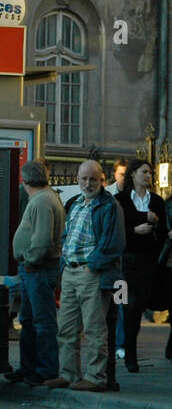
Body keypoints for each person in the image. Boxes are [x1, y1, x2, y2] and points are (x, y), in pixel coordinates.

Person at [46, 160, 125, 392]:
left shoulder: (109, 206)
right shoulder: (75, 203)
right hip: (70, 271)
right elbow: (67, 236)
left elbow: (114, 243)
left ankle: (95, 377)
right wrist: (64, 264)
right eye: (84, 178)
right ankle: (68, 373)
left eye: (93, 179)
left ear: (102, 180)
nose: (88, 183)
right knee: (66, 328)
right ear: (78, 179)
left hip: (92, 273)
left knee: (94, 329)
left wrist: (92, 265)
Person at [5, 161, 64, 385]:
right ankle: (28, 367)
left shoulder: (41, 202)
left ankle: (45, 369)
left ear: (25, 180)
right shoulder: (46, 198)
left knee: (42, 320)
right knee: (28, 319)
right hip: (35, 268)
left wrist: (30, 260)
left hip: (38, 268)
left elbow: (42, 239)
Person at [113, 158, 167, 373]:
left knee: (137, 309)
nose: (148, 176)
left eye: (150, 172)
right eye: (144, 171)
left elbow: (162, 231)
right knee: (126, 306)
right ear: (133, 174)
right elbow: (117, 230)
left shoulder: (156, 201)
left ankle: (129, 350)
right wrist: (136, 228)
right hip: (123, 264)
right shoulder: (121, 200)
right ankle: (124, 352)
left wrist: (156, 227)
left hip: (146, 264)